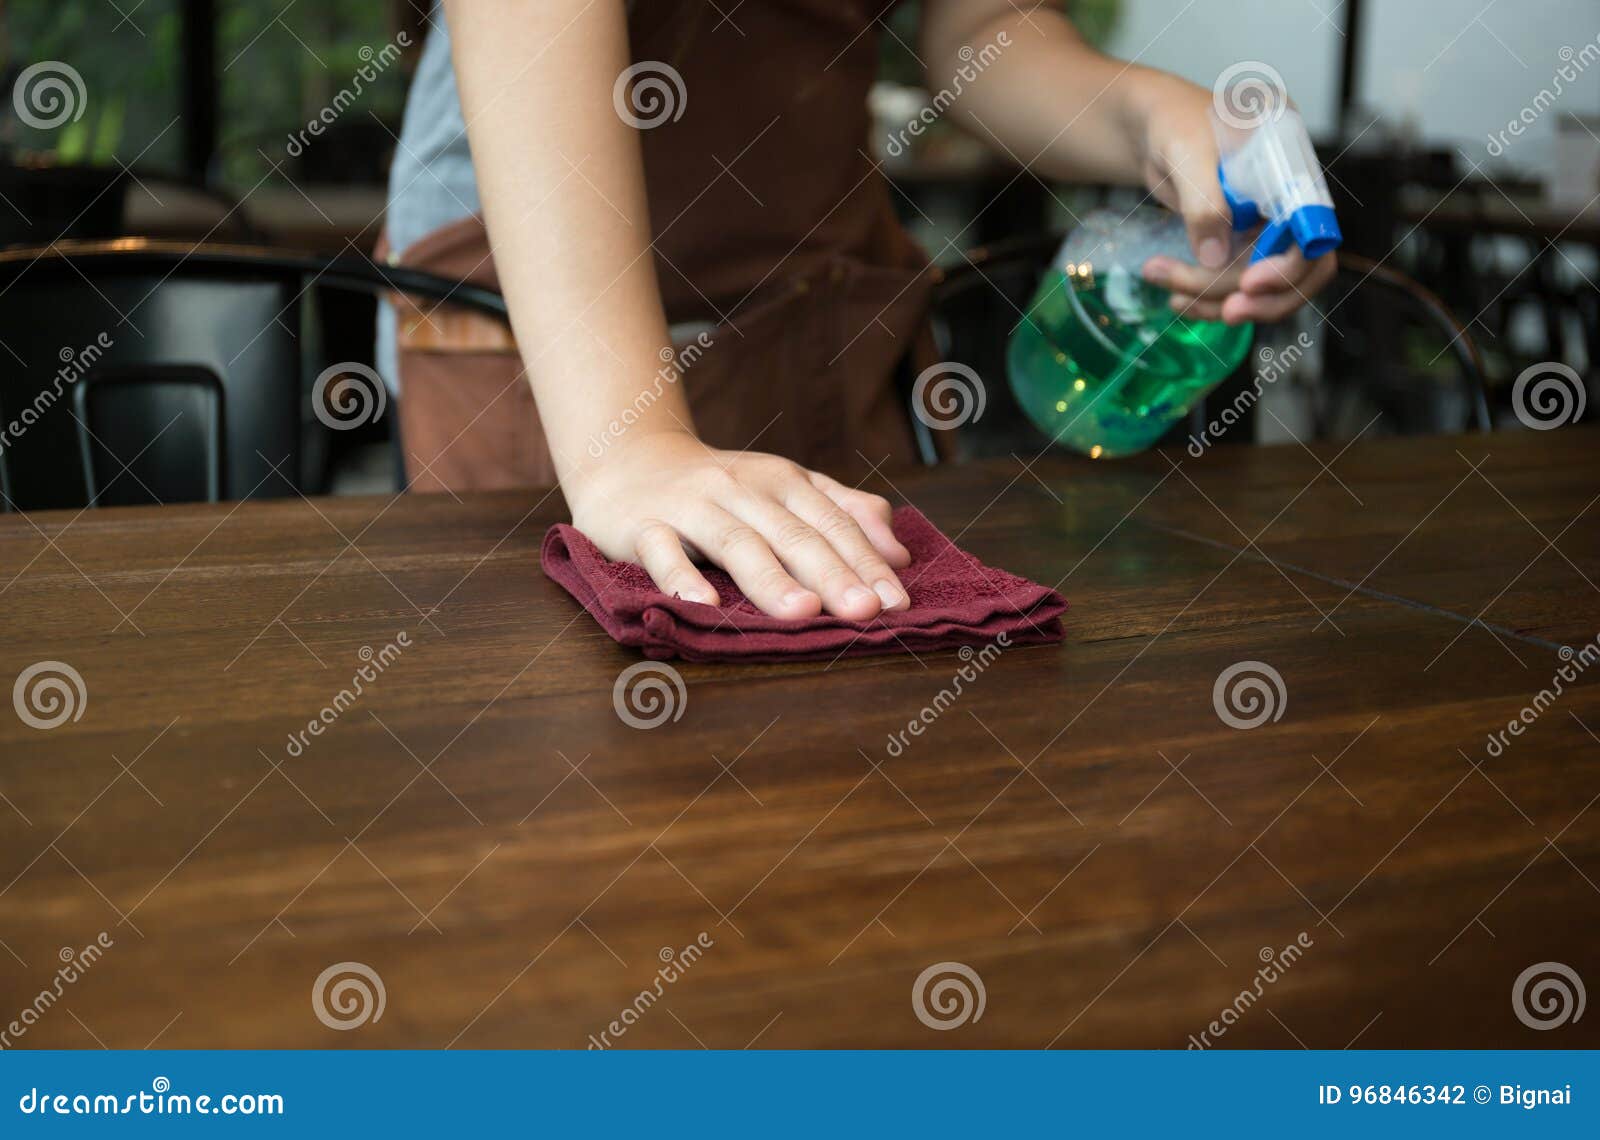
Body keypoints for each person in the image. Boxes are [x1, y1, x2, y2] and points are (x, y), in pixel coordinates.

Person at [379, 1, 1335, 622]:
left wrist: (1148, 114)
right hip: (546, 322)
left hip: (820, 305)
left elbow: (981, 25)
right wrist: (626, 445)